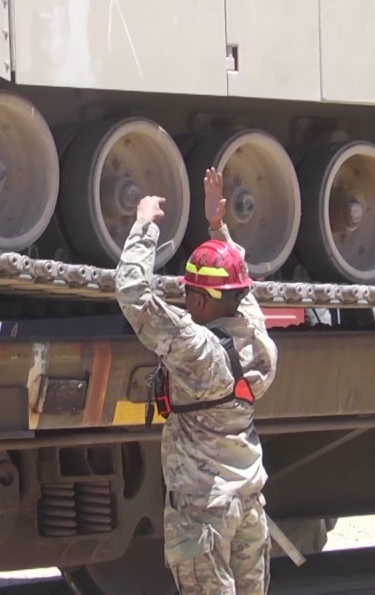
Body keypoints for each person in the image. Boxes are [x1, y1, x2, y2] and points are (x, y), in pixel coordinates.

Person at [115, 166, 278, 595]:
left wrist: (144, 226)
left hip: (203, 511)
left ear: (201, 299)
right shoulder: (257, 339)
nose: (184, 299)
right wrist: (216, 226)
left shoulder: (199, 352)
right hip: (247, 504)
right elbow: (238, 286)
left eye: (189, 293)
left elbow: (133, 292)